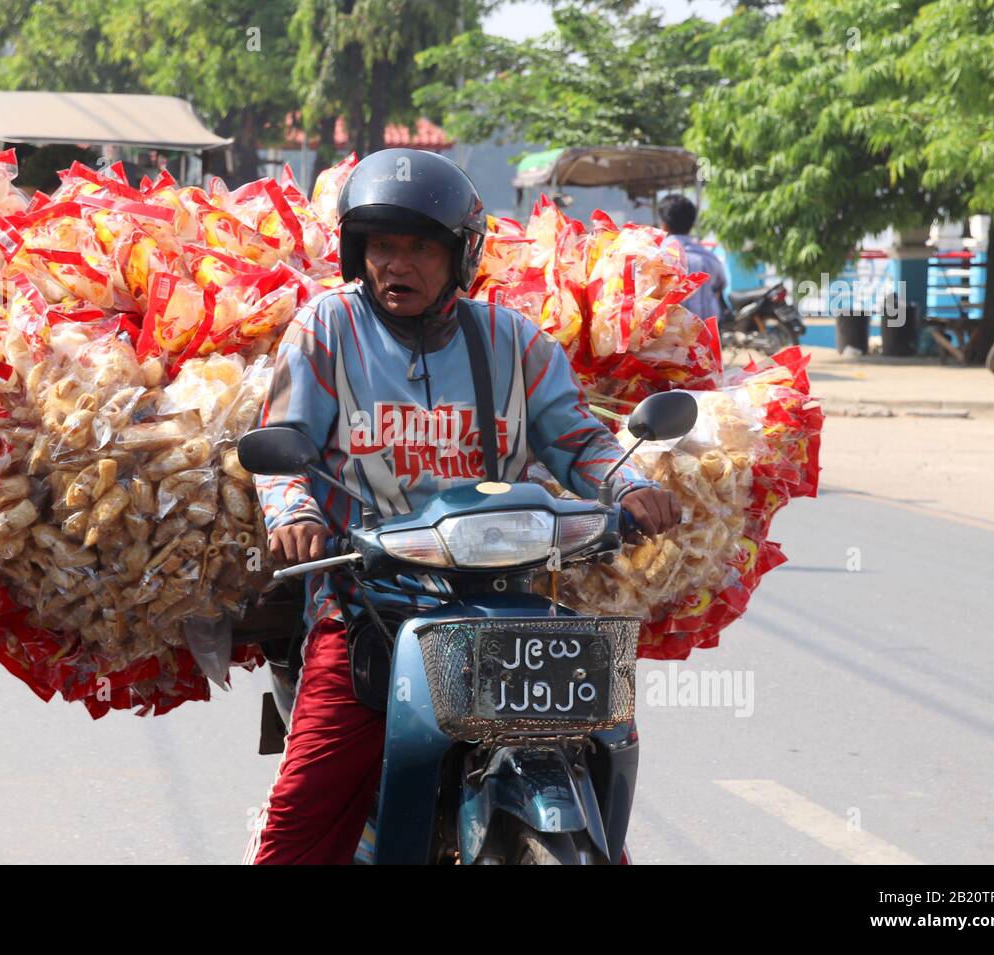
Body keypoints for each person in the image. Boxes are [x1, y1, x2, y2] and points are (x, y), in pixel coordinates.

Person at [243, 148, 681, 865]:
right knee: (301, 817)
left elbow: (580, 440)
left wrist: (630, 486)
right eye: (383, 244)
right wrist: (294, 513)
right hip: (369, 605)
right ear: (360, 252)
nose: (397, 263)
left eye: (419, 246)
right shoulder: (325, 329)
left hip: (504, 599)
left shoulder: (516, 342)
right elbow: (286, 443)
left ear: (460, 255)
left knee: (605, 748)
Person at [657, 193, 727, 323]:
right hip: (707, 337)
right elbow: (719, 288)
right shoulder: (710, 258)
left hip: (667, 339)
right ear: (691, 225)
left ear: (664, 225)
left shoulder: (655, 257)